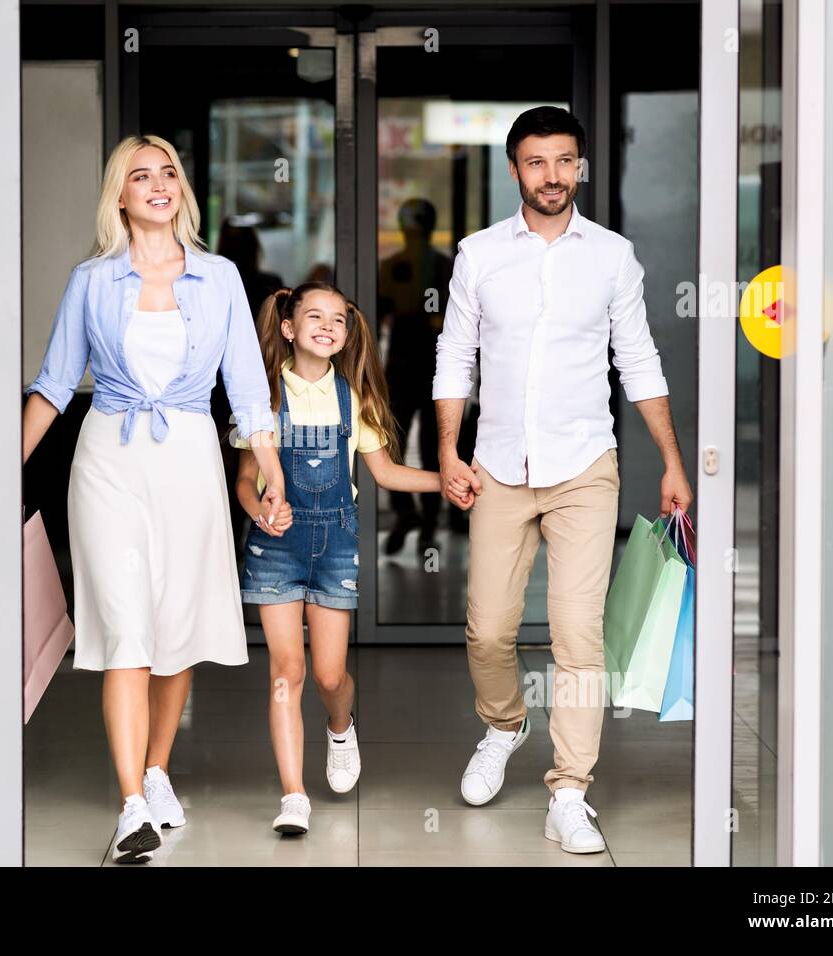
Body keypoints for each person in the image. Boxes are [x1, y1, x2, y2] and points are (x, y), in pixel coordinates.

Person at [433, 106, 693, 854]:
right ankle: (505, 722)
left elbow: (638, 361)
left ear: (580, 166)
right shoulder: (480, 255)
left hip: (584, 466)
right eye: (537, 162)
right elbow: (456, 357)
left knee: (579, 637)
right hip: (499, 467)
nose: (553, 175)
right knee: (488, 627)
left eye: (565, 160)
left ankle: (570, 790)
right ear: (515, 168)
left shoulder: (612, 256)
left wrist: (672, 461)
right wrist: (451, 451)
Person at [22, 134, 287, 864]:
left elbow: (245, 384)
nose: (158, 184)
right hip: (108, 460)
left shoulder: (220, 277)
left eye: (168, 172)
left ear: (181, 189)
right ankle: (131, 804)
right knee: (127, 633)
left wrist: (270, 468)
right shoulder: (91, 280)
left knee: (176, 630)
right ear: (120, 196)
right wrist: (3, 470)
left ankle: (158, 769)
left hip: (192, 462)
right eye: (141, 176)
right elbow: (51, 383)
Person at [233, 282, 442, 835]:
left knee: (328, 675)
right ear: (288, 327)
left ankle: (341, 726)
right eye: (314, 316)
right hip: (274, 545)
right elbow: (246, 481)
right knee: (288, 670)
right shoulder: (262, 398)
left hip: (335, 545)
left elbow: (387, 474)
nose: (328, 327)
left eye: (339, 320)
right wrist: (259, 511)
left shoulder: (356, 398)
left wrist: (448, 480)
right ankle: (294, 795)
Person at [377, 198, 455, 554]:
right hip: (408, 362)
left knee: (432, 447)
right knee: (392, 444)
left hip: (434, 363)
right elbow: (379, 312)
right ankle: (409, 514)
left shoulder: (442, 267)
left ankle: (424, 522)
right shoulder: (394, 266)